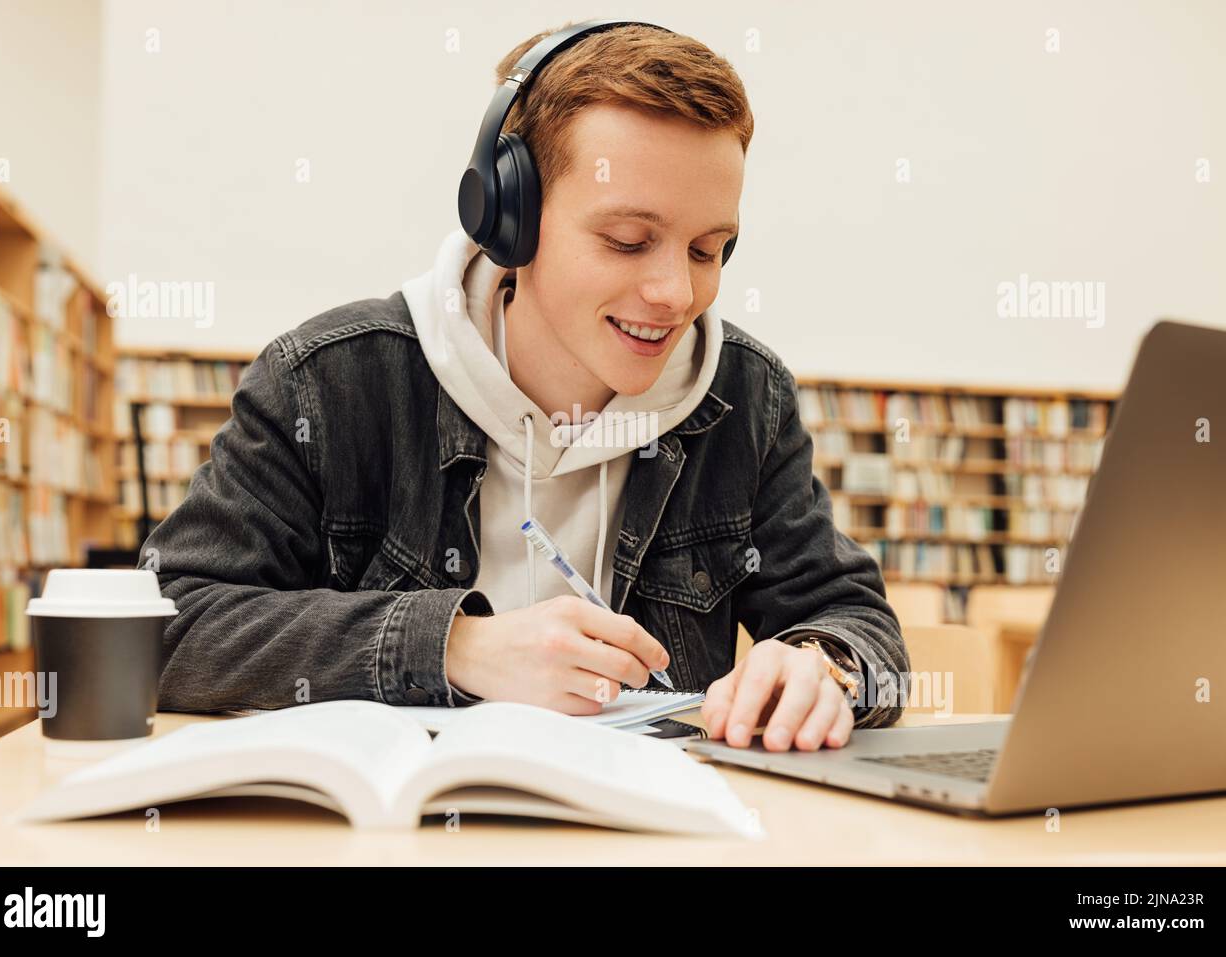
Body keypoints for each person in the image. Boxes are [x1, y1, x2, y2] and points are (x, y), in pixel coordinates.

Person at [146, 22, 909, 752]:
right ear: (509, 219)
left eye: (709, 250)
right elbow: (165, 625)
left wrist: (825, 665)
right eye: (628, 240)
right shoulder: (327, 383)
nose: (676, 293)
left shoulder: (747, 397)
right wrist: (456, 646)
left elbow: (855, 624)